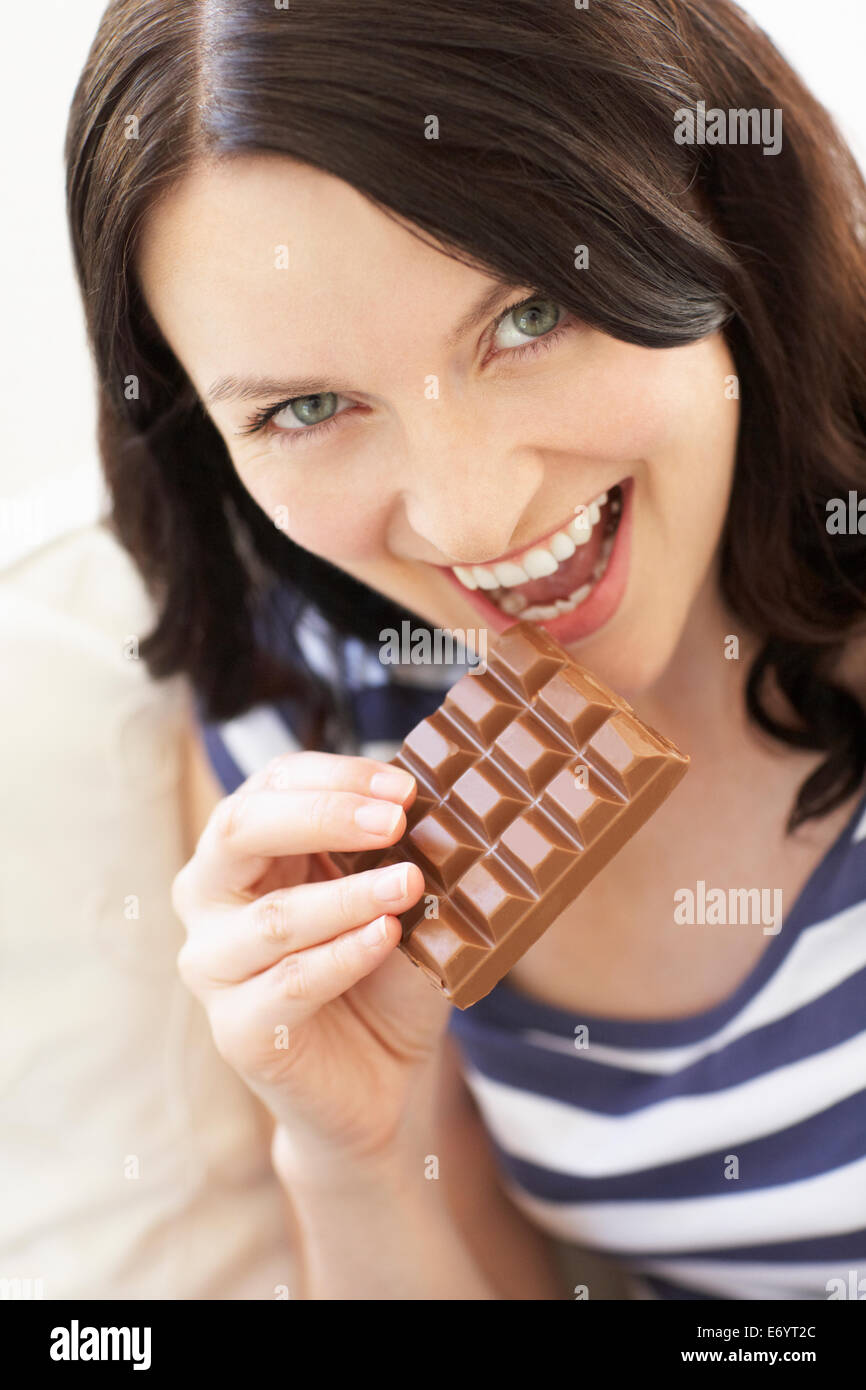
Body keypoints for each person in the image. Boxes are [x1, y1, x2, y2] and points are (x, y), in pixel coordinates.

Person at [65, 0, 866, 1299]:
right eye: (308, 407)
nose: (469, 512)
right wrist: (352, 1155)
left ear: (719, 212)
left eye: (531, 311)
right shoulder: (304, 735)